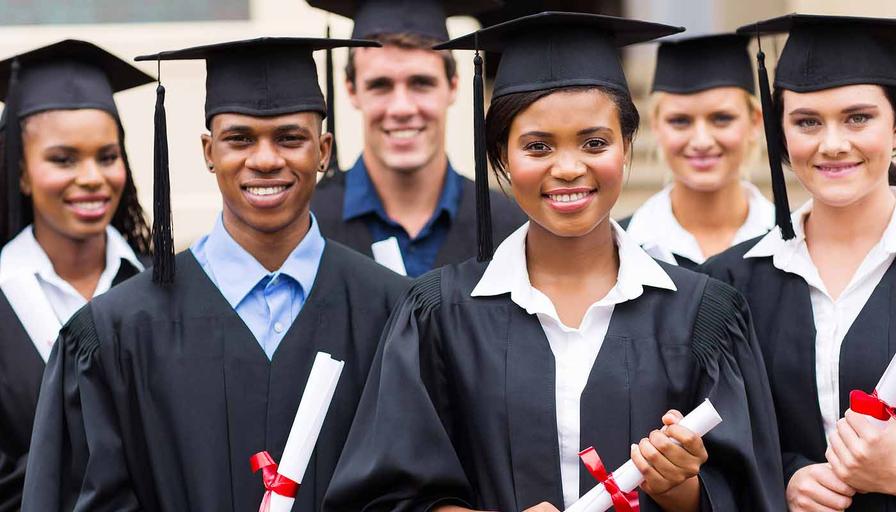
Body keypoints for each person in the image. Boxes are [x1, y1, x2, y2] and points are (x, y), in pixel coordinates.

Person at [324, 12, 785, 511]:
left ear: (627, 145)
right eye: (537, 146)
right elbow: (388, 498)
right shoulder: (439, 315)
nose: (568, 168)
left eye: (595, 143)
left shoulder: (704, 316)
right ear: (500, 155)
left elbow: (753, 493)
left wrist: (680, 488)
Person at [22, 37, 409, 510]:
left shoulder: (396, 315)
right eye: (239, 138)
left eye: (290, 137)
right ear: (208, 151)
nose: (265, 159)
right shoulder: (116, 332)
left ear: (323, 151)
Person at [702, 14, 896, 511]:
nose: (832, 143)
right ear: (780, 134)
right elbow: (717, 459)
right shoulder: (728, 285)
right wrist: (785, 481)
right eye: (807, 121)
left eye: (858, 117)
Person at [0, 40, 152, 511]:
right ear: (21, 172)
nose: (91, 177)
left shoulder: (165, 288)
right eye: (63, 159)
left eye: (107, 156)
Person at [307, 0, 525, 277]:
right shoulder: (306, 227)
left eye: (421, 83)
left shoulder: (511, 231)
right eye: (380, 85)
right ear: (351, 89)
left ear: (453, 85)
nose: (402, 108)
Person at [624, 34, 774, 269]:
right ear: (655, 126)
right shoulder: (621, 248)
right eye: (680, 121)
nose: (701, 141)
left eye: (722, 118)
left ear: (755, 122)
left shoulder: (791, 241)